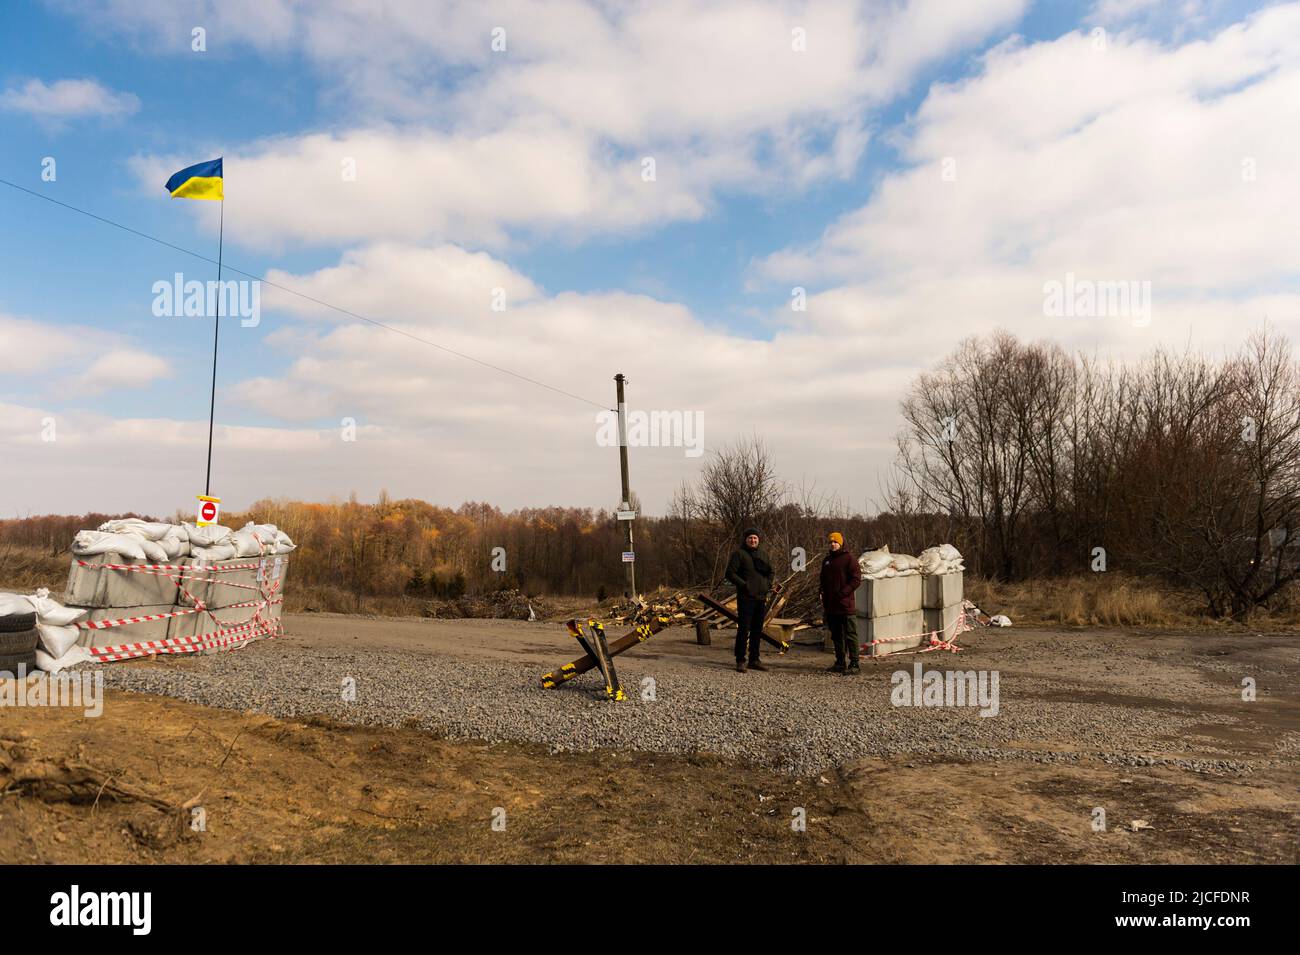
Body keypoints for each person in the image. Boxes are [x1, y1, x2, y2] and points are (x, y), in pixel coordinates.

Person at [725, 527, 777, 672]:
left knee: (757, 630)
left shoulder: (763, 555)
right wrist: (744, 585)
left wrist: (768, 584)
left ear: (758, 540)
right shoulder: (739, 554)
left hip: (761, 597)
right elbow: (729, 573)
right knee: (744, 629)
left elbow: (771, 571)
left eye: (755, 538)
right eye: (750, 538)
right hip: (746, 597)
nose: (753, 540)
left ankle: (754, 659)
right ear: (745, 539)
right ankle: (740, 660)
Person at [819, 531, 863, 674]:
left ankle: (855, 664)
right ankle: (840, 662)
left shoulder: (849, 559)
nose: (833, 544)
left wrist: (843, 593)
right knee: (837, 636)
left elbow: (856, 580)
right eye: (831, 542)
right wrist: (821, 592)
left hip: (845, 605)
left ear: (841, 543)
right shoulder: (826, 561)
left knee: (851, 635)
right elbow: (823, 580)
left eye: (835, 542)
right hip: (831, 607)